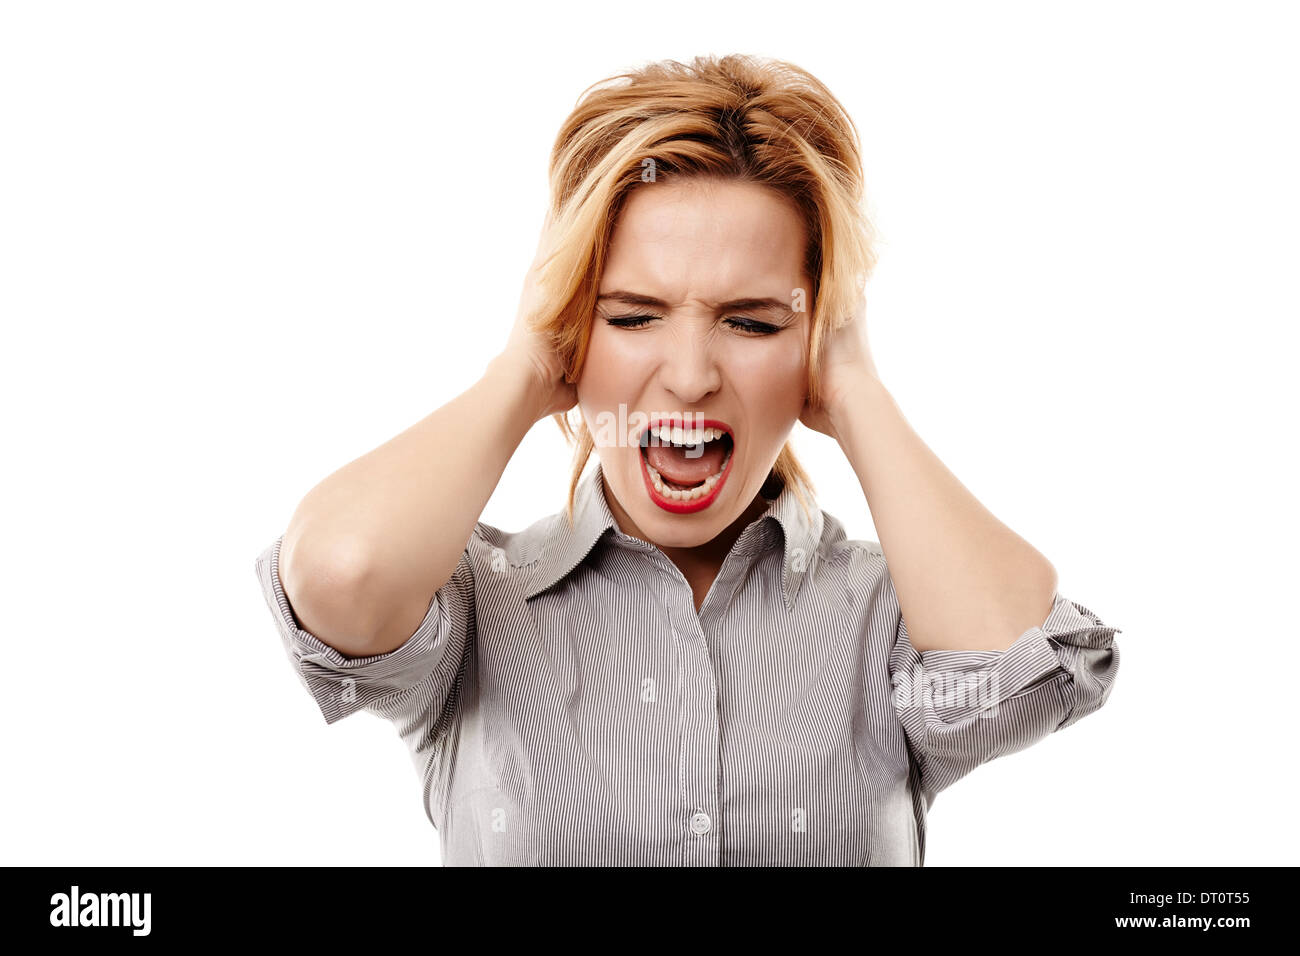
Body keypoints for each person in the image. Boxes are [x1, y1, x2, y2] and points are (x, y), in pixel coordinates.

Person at [254, 54, 1121, 866]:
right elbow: (340, 573)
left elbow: (1028, 665)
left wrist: (856, 390)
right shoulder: (477, 598)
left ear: (813, 341)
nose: (692, 376)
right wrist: (520, 370)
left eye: (753, 321)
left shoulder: (889, 615)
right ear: (571, 336)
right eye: (632, 316)